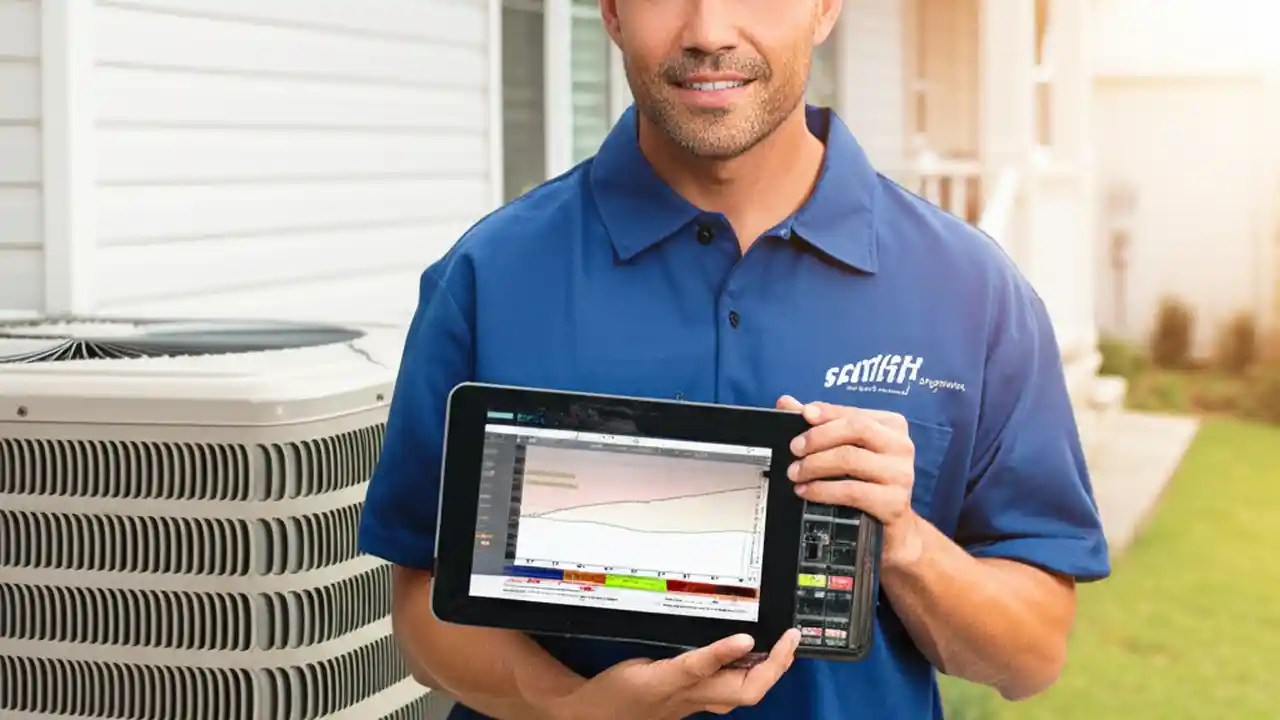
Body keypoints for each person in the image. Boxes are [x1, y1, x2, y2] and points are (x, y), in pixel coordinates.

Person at [357, 0, 1110, 717]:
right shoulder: (489, 277)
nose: (709, 30)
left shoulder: (972, 291)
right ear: (612, 12)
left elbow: (1031, 656)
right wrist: (575, 710)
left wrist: (906, 544)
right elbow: (424, 600)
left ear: (824, 7)